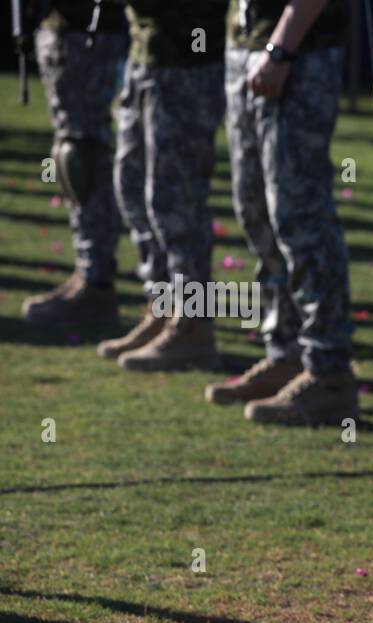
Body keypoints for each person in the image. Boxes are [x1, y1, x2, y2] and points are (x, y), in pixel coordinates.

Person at [202, 0, 357, 426]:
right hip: (247, 44)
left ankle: (328, 371)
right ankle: (286, 355)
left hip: (299, 50)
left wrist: (281, 48)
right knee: (255, 211)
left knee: (299, 214)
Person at [98, 0, 230, 369]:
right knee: (133, 186)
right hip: (147, 53)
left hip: (189, 59)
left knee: (177, 200)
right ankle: (163, 306)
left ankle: (194, 324)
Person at [21, 0, 129, 329]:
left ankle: (97, 283)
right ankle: (89, 273)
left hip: (94, 28)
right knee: (71, 156)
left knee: (83, 154)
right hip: (63, 24)